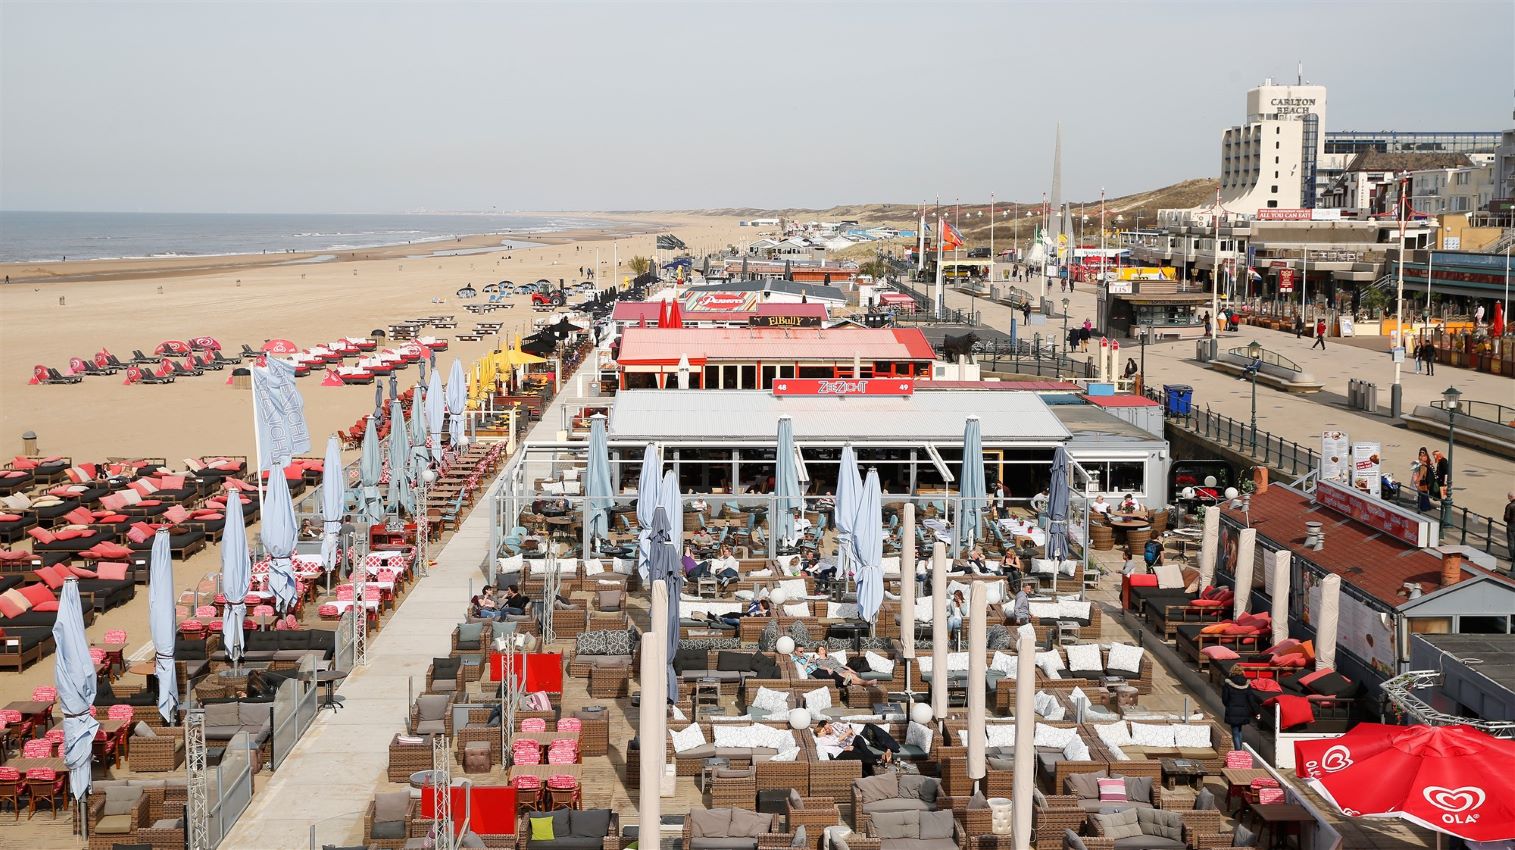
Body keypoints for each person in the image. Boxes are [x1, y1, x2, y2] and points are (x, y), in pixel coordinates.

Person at [814, 719, 893, 776]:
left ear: (828, 723)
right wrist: (846, 746)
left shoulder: (827, 735)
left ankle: (881, 759)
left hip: (845, 749)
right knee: (861, 756)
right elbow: (836, 742)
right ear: (819, 733)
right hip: (841, 753)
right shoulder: (822, 739)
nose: (826, 731)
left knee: (863, 753)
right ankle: (882, 759)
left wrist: (849, 735)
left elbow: (836, 744)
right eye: (824, 730)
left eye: (826, 729)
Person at [1222, 672, 1260, 750]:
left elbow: (1225, 699)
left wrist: (1229, 706)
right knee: (1239, 730)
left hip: (1232, 711)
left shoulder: (1228, 684)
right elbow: (1251, 700)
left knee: (1235, 732)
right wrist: (1257, 712)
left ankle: (1238, 752)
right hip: (1243, 711)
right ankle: (1240, 750)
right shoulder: (1247, 684)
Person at [1413, 447, 1435, 512]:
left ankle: (1424, 508)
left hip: (1423, 482)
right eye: (1420, 455)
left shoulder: (1423, 466)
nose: (1420, 457)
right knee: (1424, 495)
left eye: (1422, 455)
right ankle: (1426, 507)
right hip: (1425, 482)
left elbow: (1420, 476)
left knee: (1422, 495)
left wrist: (1416, 481)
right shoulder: (1425, 465)